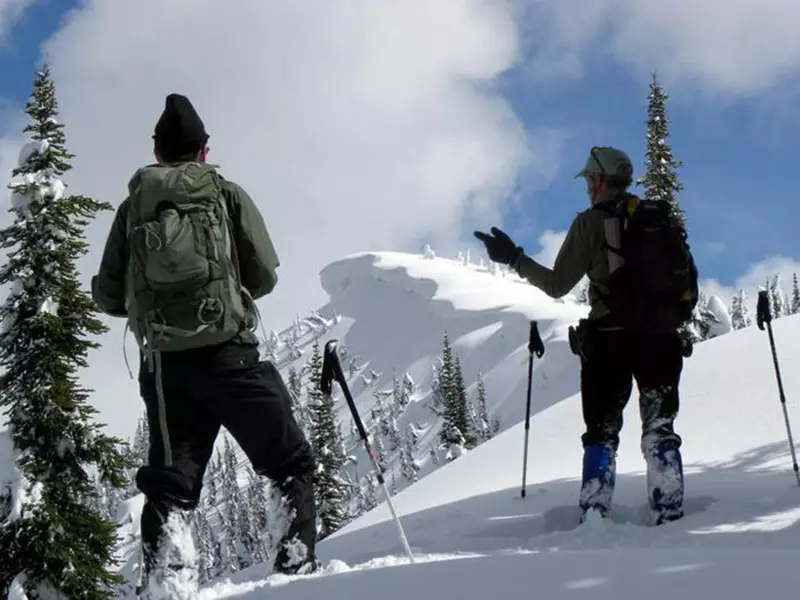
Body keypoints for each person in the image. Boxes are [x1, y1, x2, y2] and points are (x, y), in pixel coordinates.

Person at [91, 93, 318, 595]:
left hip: (167, 368)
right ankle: (296, 578)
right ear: (203, 152)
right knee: (290, 463)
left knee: (171, 487)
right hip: (231, 355)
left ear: (157, 152)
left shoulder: (134, 207)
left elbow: (108, 296)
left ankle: (165, 585)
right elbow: (263, 275)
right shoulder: (225, 194)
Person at [474, 146, 695, 525]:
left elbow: (558, 284)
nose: (587, 188)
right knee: (660, 427)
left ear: (598, 180)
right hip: (659, 338)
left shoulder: (591, 222)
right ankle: (668, 509)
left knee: (602, 431)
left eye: (589, 180)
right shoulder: (658, 221)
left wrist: (513, 258)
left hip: (609, 339)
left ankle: (595, 513)